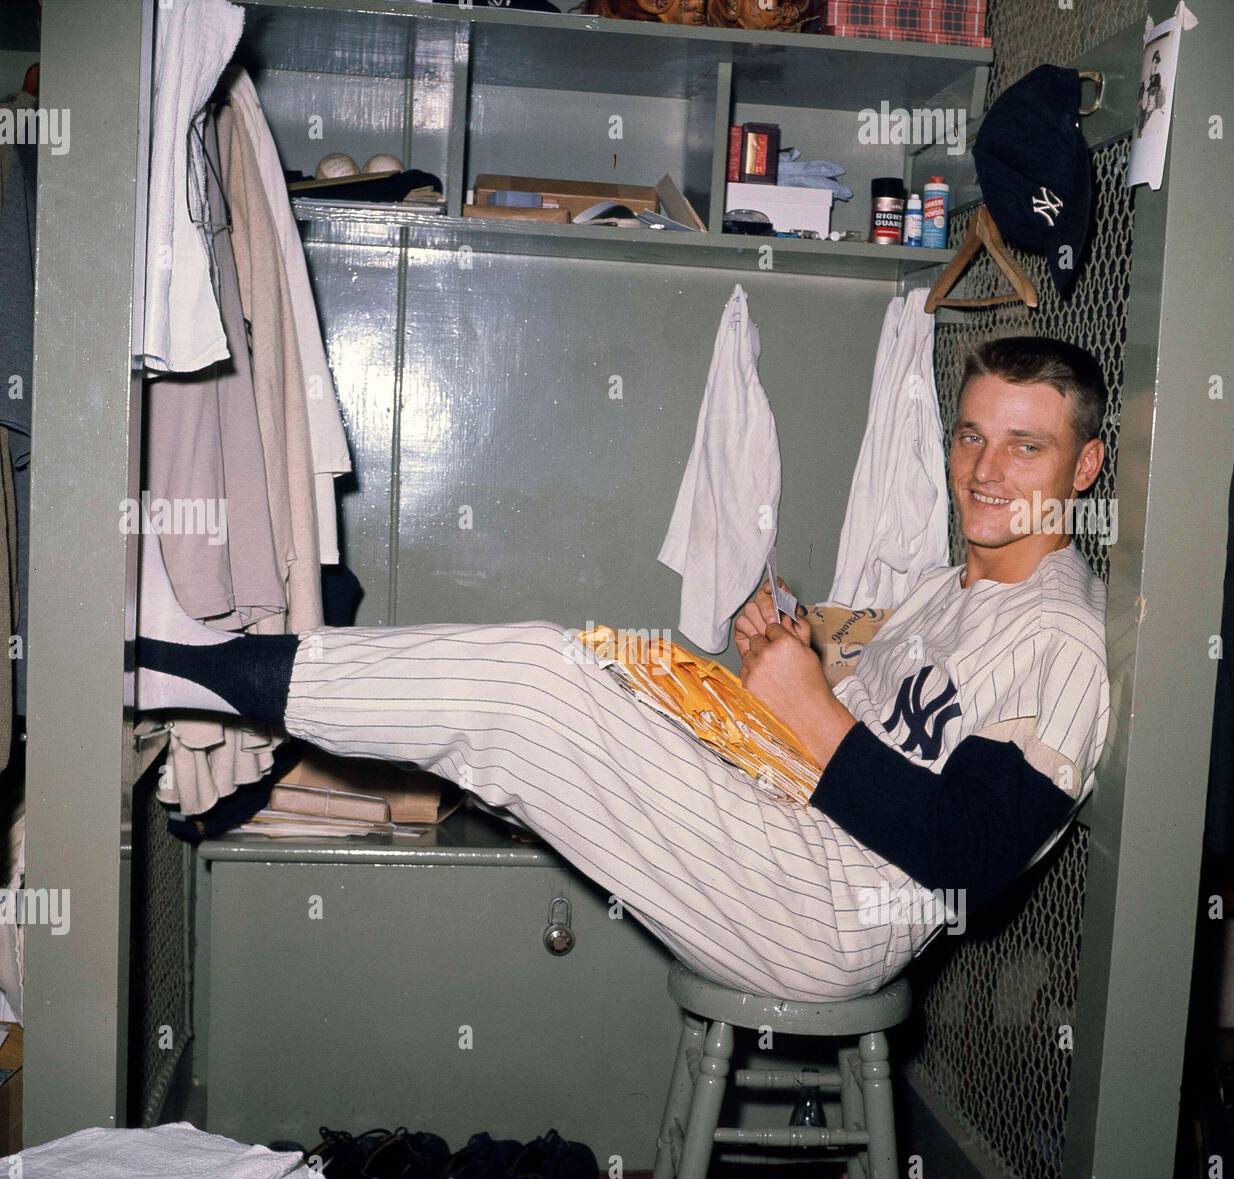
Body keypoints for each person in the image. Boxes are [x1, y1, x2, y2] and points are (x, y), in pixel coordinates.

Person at [137, 335, 1111, 1003]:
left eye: (1027, 447)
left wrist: (811, 712)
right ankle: (211, 670)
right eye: (971, 435)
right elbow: (854, 727)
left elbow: (974, 868)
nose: (985, 471)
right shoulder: (955, 590)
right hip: (783, 839)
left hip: (831, 915)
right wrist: (778, 668)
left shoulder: (1059, 637)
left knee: (530, 684)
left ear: (1082, 466)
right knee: (599, 661)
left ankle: (184, 665)